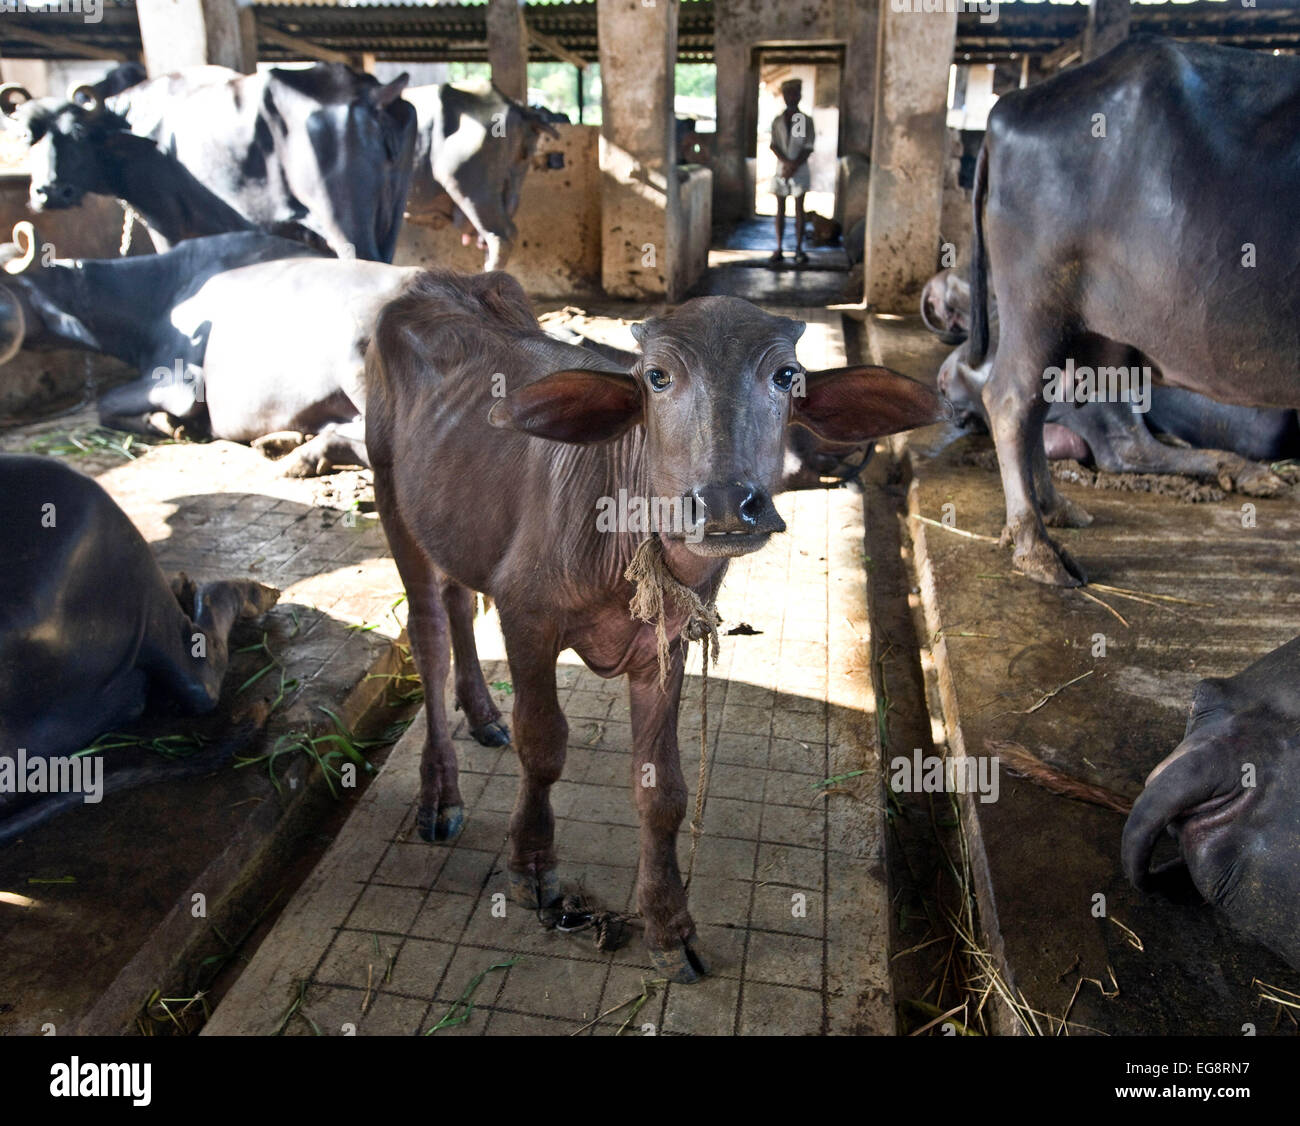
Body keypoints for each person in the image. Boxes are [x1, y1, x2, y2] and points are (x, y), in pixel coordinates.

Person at [768, 78, 815, 267]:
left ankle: (798, 248)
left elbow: (805, 147)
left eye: (795, 93)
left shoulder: (800, 120)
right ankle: (779, 248)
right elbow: (775, 145)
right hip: (782, 169)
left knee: (799, 210)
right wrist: (786, 164)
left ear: (800, 96)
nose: (791, 97)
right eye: (788, 93)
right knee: (780, 209)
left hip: (798, 170)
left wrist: (793, 165)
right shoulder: (778, 121)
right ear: (784, 96)